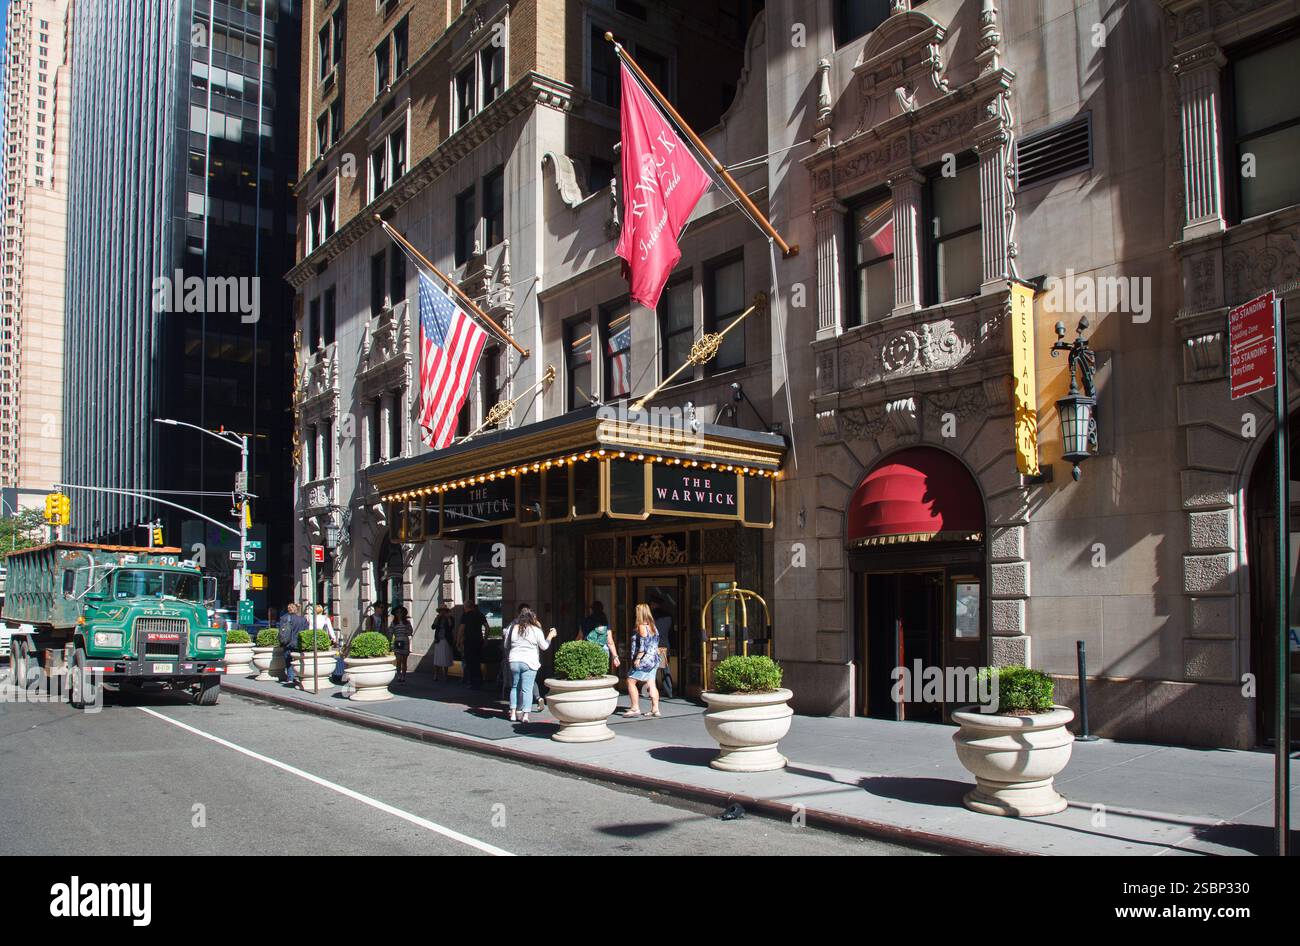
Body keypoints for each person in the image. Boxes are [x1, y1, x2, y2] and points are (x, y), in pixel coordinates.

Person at [503, 608, 557, 723]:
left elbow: (506, 643)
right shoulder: (536, 630)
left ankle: (513, 713)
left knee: (514, 687)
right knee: (526, 689)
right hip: (529, 661)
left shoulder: (513, 628)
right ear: (533, 618)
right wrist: (550, 636)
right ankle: (525, 715)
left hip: (514, 660)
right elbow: (544, 646)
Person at [624, 603, 660, 717]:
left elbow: (643, 647)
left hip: (645, 660)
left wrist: (638, 659)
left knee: (630, 680)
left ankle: (635, 708)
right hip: (654, 659)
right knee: (651, 683)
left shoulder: (642, 626)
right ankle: (655, 709)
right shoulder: (653, 626)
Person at [458, 600, 488, 688]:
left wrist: (458, 641)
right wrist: (485, 639)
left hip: (469, 641)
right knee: (477, 661)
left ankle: (472, 681)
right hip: (478, 641)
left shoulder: (465, 615)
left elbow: (461, 629)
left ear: (467, 607)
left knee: (470, 662)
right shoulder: (480, 614)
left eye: (464, 606)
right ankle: (479, 680)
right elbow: (487, 627)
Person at [277, 603, 308, 686]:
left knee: (288, 661)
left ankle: (290, 678)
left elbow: (280, 632)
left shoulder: (283, 618)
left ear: (288, 609)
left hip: (287, 643)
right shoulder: (302, 619)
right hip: (298, 643)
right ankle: (299, 677)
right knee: (299, 661)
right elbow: (306, 631)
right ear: (296, 610)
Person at [431, 604, 455, 682]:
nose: (443, 612)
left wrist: (448, 618)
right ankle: (436, 675)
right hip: (439, 639)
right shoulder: (438, 618)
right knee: (437, 658)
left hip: (447, 640)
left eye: (444, 611)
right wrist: (437, 618)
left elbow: (451, 626)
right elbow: (433, 627)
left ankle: (445, 675)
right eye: (441, 611)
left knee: (446, 657)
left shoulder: (450, 618)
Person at [390, 606, 414, 683]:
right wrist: (389, 642)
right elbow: (390, 632)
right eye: (397, 612)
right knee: (398, 660)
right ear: (395, 614)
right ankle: (399, 675)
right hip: (397, 641)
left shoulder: (407, 622)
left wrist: (406, 632)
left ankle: (403, 676)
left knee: (404, 660)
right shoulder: (393, 623)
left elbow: (410, 631)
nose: (399, 614)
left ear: (403, 614)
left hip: (405, 642)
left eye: (401, 612)